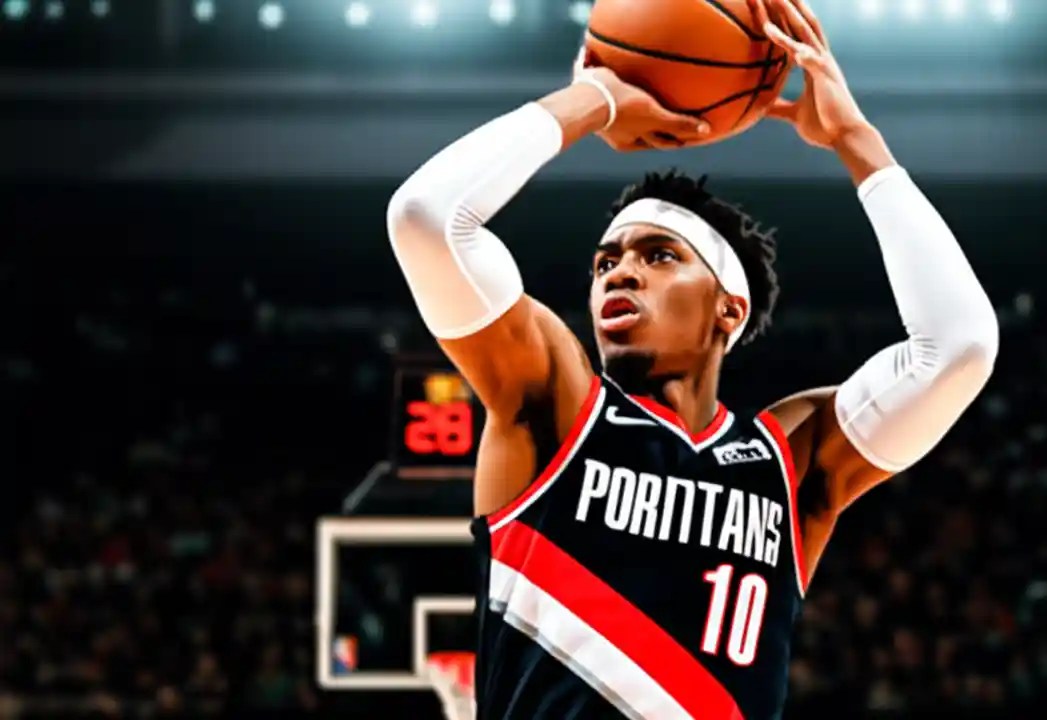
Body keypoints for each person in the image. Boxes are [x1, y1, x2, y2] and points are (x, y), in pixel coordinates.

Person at [386, 0, 999, 717]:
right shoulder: (555, 407)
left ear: (728, 310)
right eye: (606, 260)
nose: (619, 273)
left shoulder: (788, 460)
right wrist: (597, 99)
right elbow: (424, 218)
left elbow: (960, 348)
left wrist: (857, 142)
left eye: (659, 256)